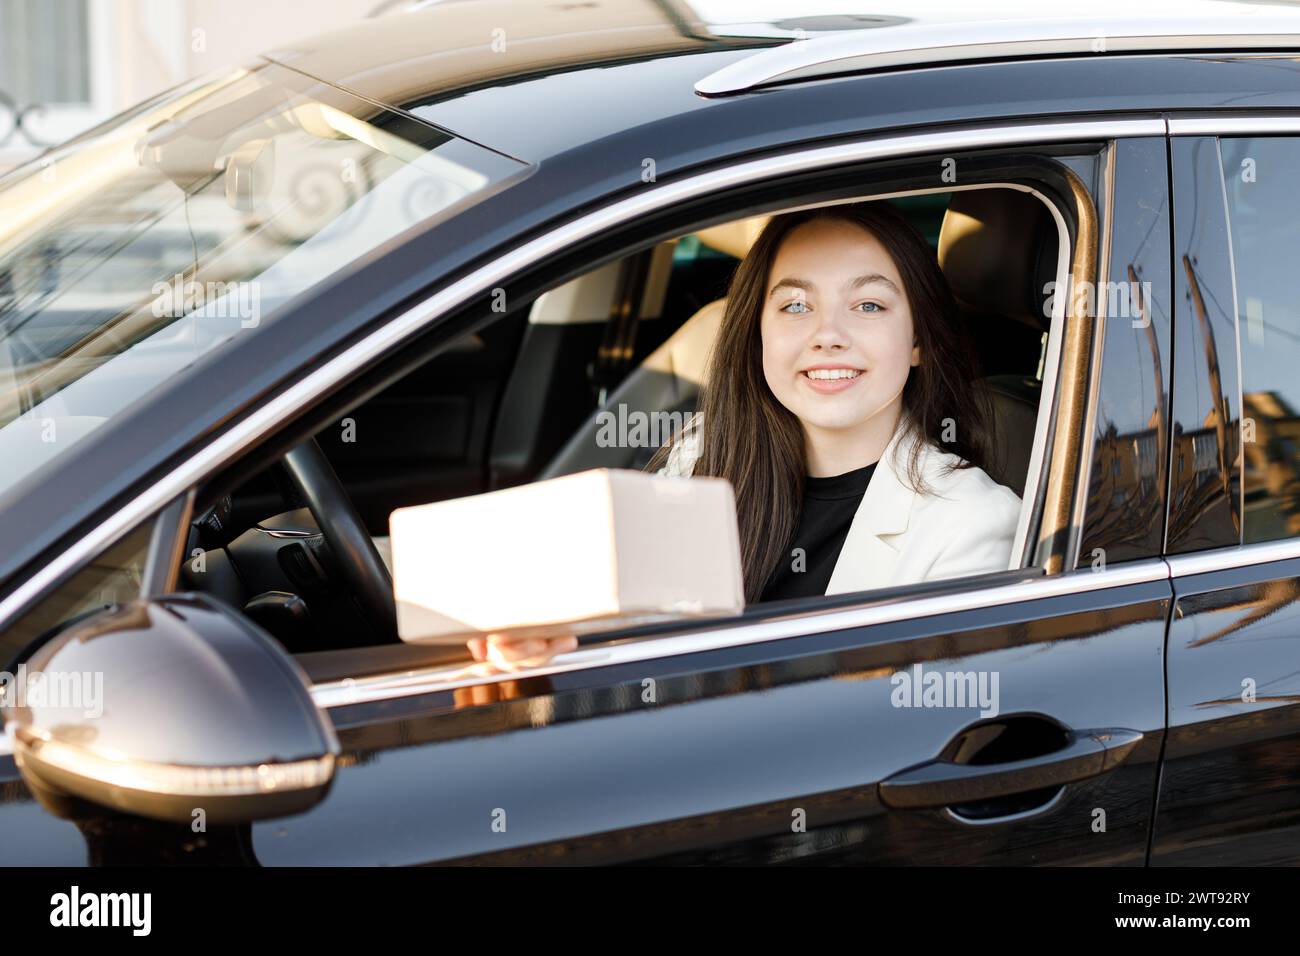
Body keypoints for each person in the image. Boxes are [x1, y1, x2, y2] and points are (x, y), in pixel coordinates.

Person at [469, 200, 1022, 669]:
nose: (828, 335)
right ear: (758, 330)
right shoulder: (703, 451)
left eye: (868, 305)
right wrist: (559, 643)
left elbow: (898, 744)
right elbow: (635, 634)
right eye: (796, 305)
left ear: (919, 340)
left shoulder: (970, 526)